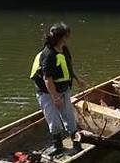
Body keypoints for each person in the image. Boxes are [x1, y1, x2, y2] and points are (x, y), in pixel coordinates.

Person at [29, 22, 86, 156]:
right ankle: (58, 146)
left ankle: (76, 144)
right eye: (68, 36)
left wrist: (78, 79)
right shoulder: (48, 55)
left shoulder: (64, 49)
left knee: (69, 118)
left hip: (63, 89)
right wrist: (55, 98)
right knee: (53, 120)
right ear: (62, 38)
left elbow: (68, 67)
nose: (70, 38)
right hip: (47, 93)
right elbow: (47, 79)